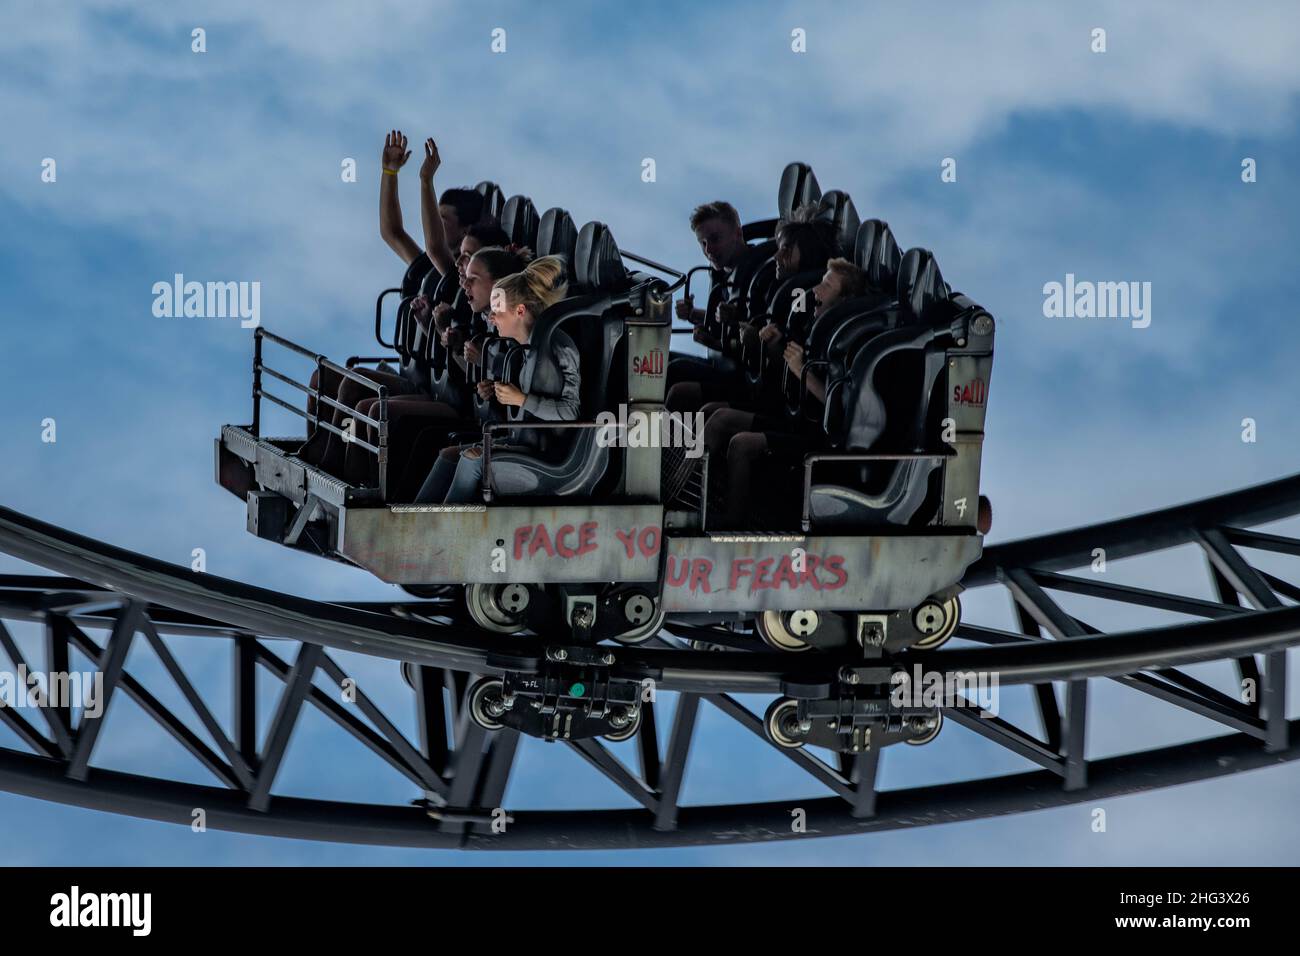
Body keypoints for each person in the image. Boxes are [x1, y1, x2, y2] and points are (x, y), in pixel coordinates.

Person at [415, 256, 578, 503]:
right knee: (449, 456)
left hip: (549, 455)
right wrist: (498, 390)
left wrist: (521, 399)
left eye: (496, 312)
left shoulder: (558, 348)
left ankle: (443, 529)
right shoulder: (525, 347)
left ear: (520, 311)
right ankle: (419, 520)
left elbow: (570, 411)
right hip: (521, 439)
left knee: (473, 460)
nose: (490, 318)